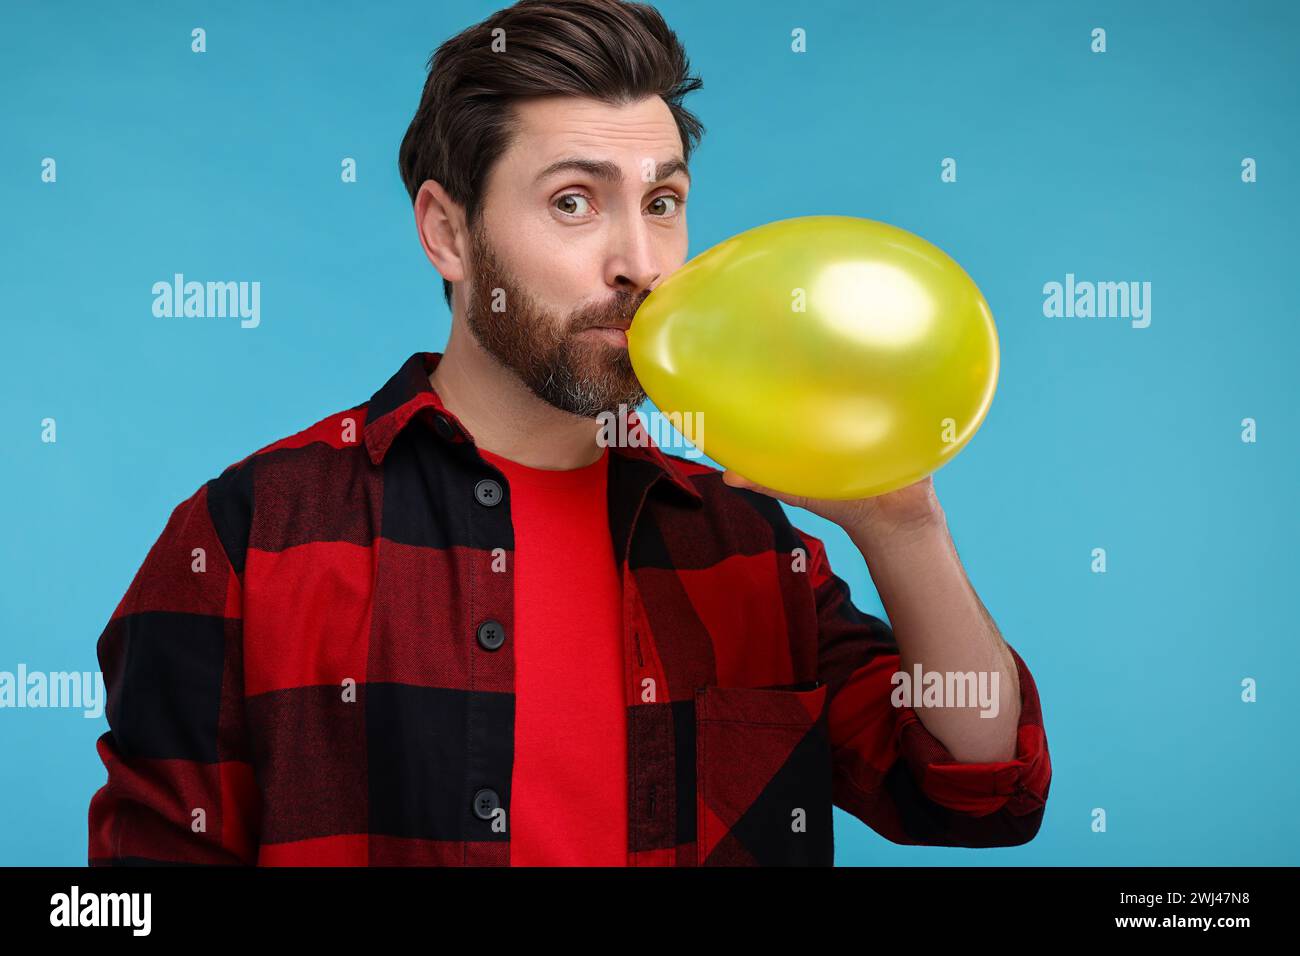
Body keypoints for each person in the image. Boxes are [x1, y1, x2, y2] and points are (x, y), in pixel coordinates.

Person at [88, 0, 1050, 867]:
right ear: (449, 233)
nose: (639, 263)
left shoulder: (750, 544)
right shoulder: (251, 538)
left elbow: (976, 787)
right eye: (574, 202)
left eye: (662, 203)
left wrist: (904, 529)